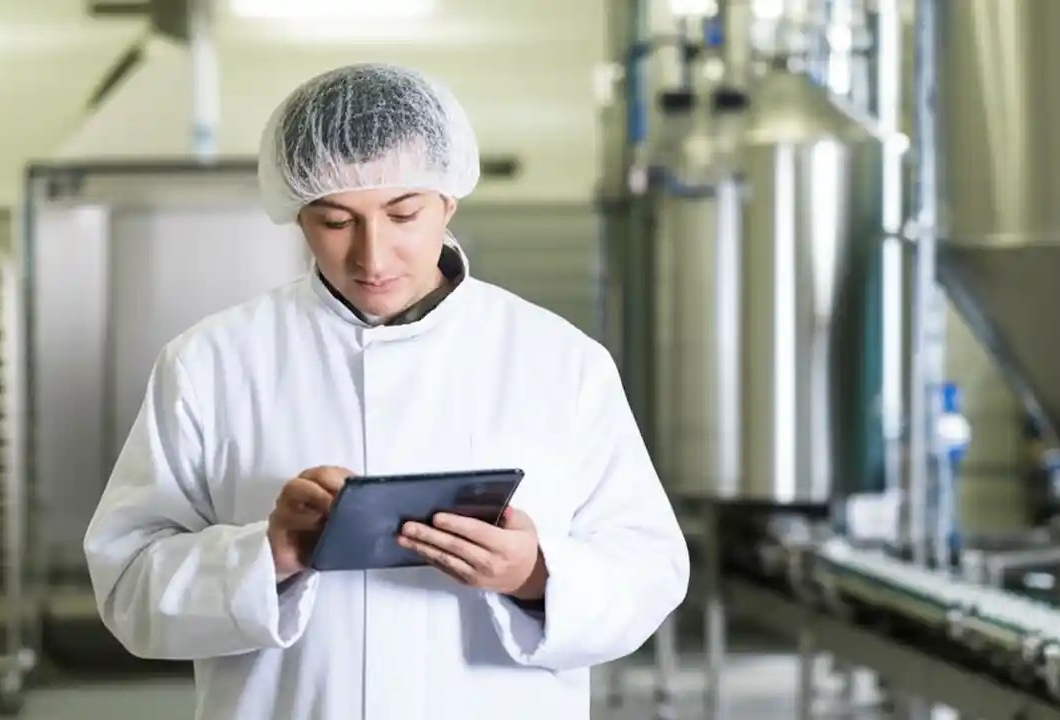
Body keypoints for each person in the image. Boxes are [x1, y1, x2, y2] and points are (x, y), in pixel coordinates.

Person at [82, 63, 690, 719]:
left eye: (403, 213)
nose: (373, 258)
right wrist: (266, 554)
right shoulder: (212, 362)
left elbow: (648, 568)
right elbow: (127, 587)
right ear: (296, 214)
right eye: (336, 221)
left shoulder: (559, 361)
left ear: (449, 200)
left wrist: (535, 576)